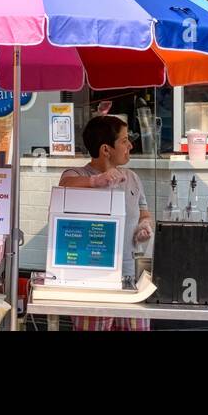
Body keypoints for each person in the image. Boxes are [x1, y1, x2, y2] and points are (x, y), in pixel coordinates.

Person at [59, 114, 153, 330]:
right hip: (92, 280)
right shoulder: (78, 174)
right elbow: (64, 185)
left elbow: (144, 214)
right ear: (105, 149)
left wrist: (144, 226)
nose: (130, 145)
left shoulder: (132, 178)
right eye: (123, 140)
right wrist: (95, 181)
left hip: (131, 278)